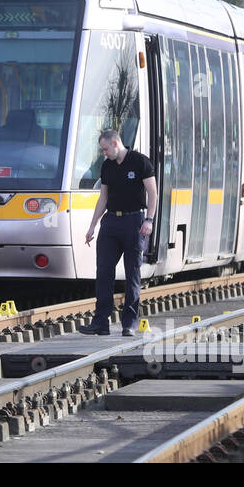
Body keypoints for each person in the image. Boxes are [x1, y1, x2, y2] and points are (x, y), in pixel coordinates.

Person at [81, 128, 157, 336]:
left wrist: (149, 220)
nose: (103, 153)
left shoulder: (140, 162)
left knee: (132, 272)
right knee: (104, 270)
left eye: (105, 149)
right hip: (111, 222)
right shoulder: (107, 166)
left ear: (115, 143)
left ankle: (129, 323)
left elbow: (152, 192)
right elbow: (103, 197)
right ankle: (101, 322)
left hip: (134, 221)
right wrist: (92, 225)